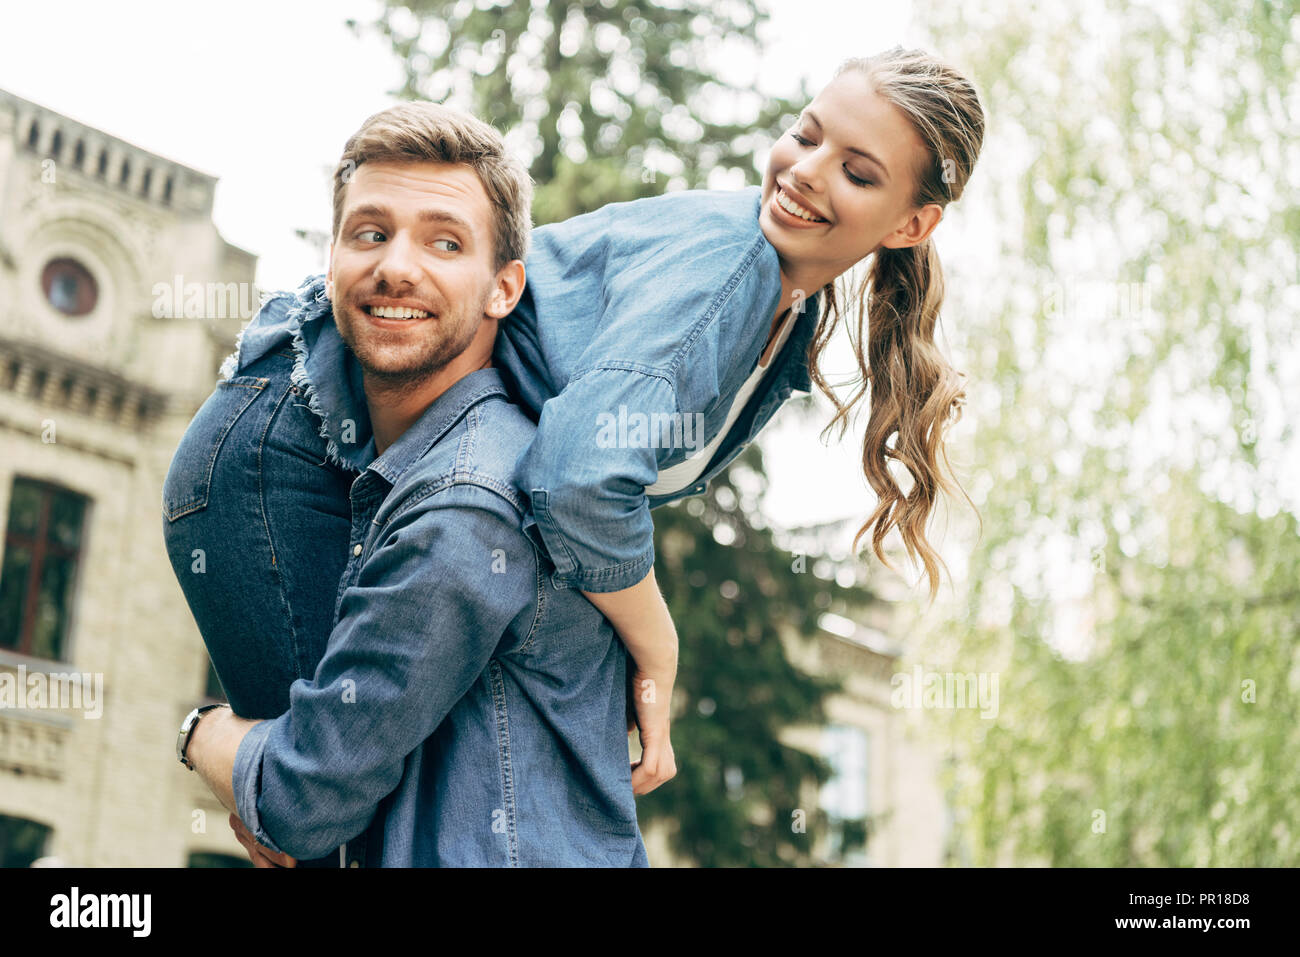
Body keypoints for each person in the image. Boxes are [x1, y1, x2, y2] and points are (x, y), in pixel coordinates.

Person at [163, 44, 985, 861]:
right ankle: (210, 740)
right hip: (285, 445)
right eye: (806, 136)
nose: (807, 171)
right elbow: (579, 477)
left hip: (409, 474)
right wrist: (657, 641)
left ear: (913, 224)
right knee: (319, 803)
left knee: (350, 801)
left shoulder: (783, 308)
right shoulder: (734, 263)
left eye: (858, 171)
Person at [176, 117, 649, 867]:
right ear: (329, 264)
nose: (397, 268)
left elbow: (303, 799)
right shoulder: (415, 470)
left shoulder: (466, 501)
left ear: (504, 288)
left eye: (445, 241)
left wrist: (198, 731)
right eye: (369, 233)